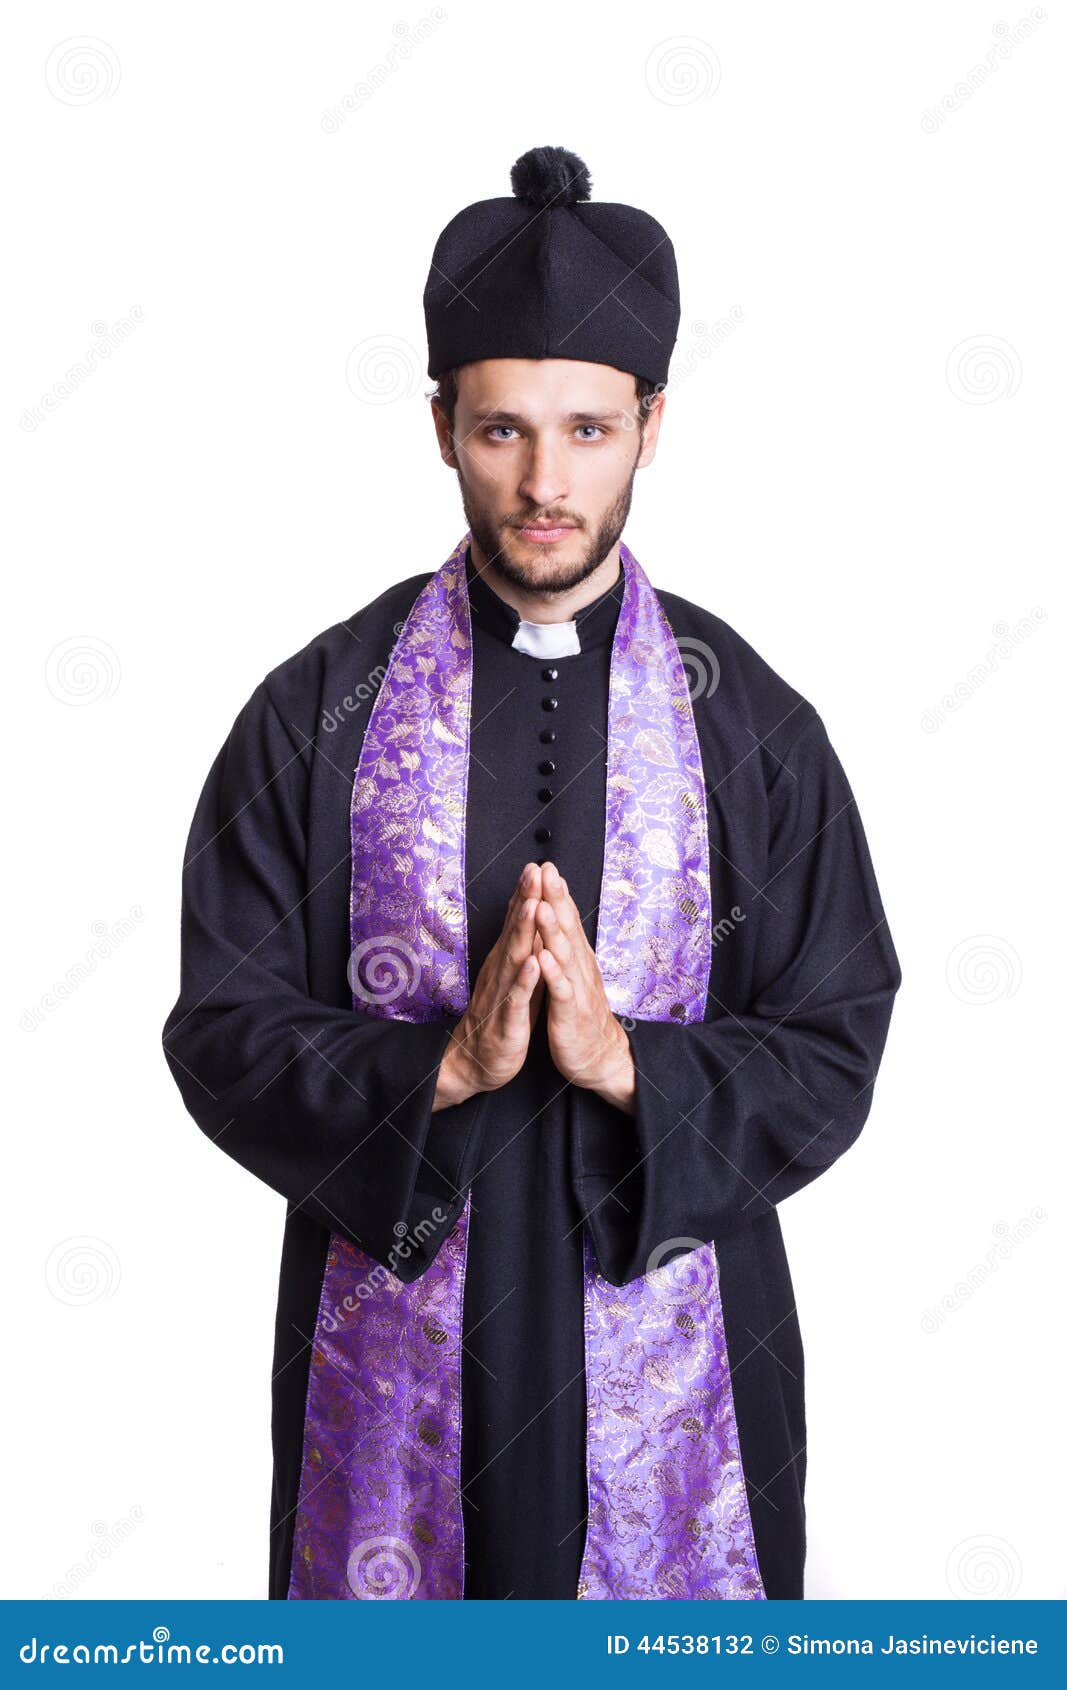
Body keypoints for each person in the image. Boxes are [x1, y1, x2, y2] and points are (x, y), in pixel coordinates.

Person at [162, 144, 901, 1601]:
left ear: (653, 424)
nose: (547, 483)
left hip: (689, 1375)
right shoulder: (321, 713)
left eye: (588, 429)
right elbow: (222, 1031)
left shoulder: (747, 723)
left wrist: (629, 1061)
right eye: (503, 430)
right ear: (441, 423)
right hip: (394, 1375)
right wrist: (438, 1064)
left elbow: (837, 1034)